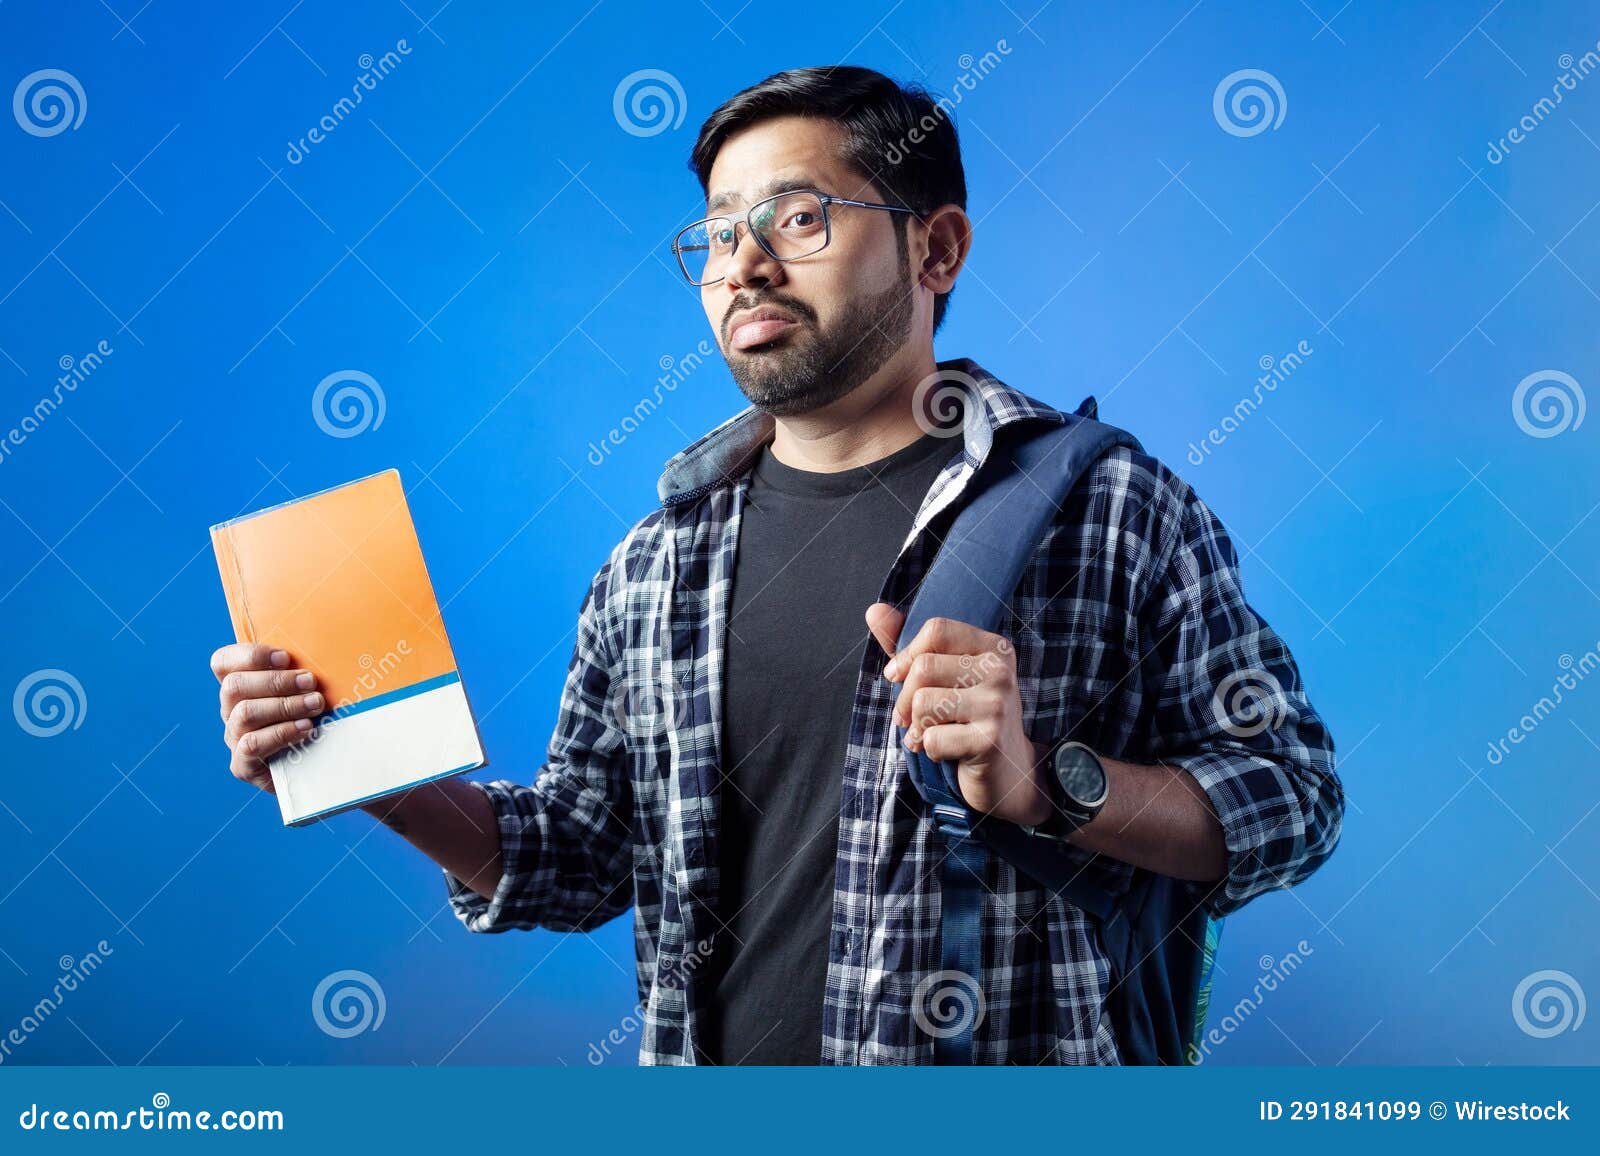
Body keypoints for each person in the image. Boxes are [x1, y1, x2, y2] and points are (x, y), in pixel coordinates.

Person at [210, 65, 1343, 1065]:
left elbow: (1295, 797)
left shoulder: (1107, 508)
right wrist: (382, 777)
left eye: (797, 217)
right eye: (713, 234)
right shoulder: (655, 565)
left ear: (935, 245)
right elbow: (585, 856)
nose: (742, 265)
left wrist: (1048, 785)